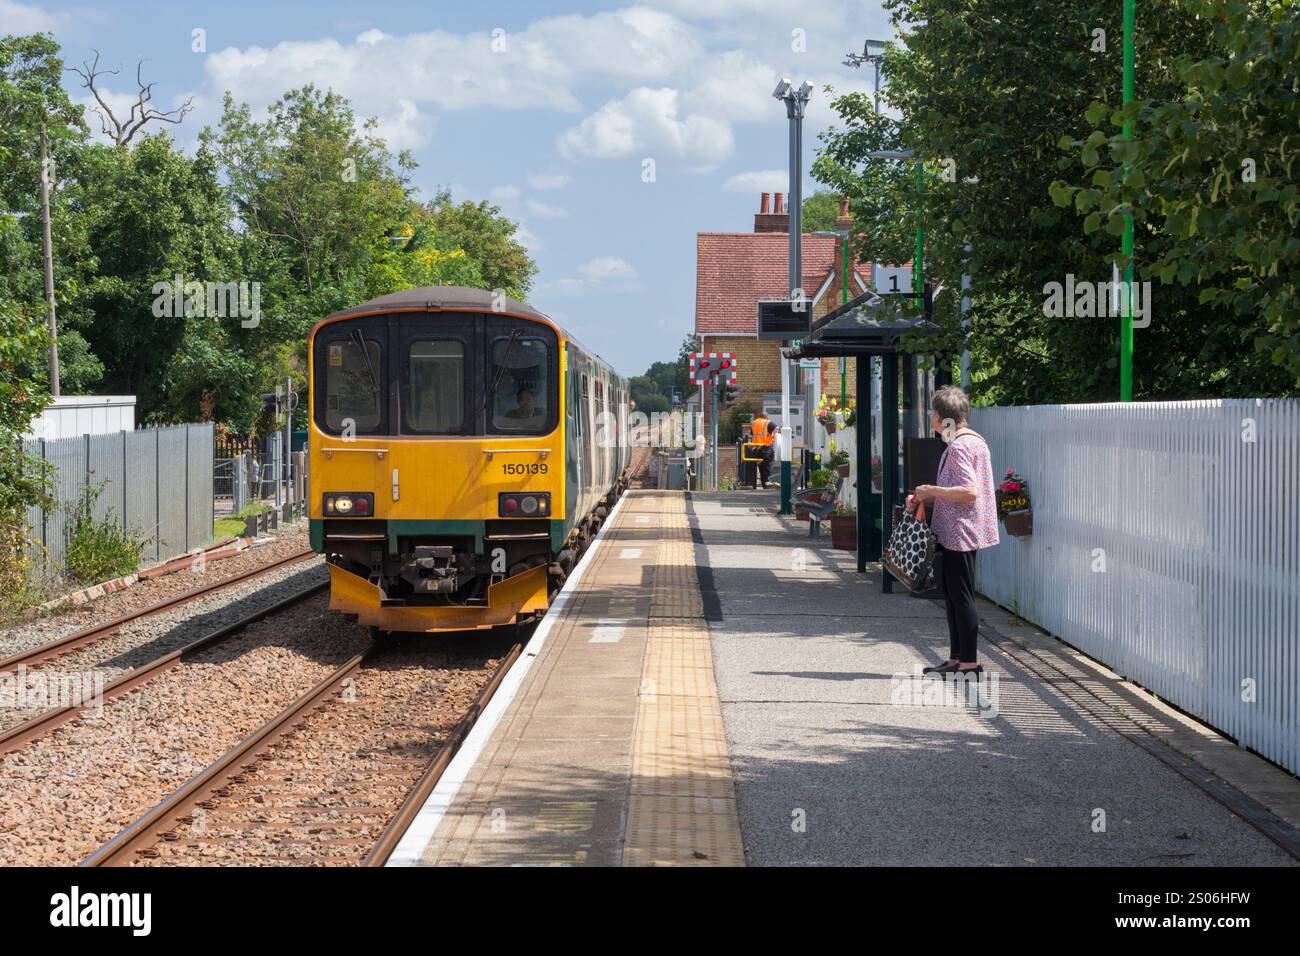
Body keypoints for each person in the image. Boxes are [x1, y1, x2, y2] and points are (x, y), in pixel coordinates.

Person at [905, 385, 1000, 677]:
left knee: (960, 595)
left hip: (960, 531)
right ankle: (958, 658)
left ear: (943, 418)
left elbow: (969, 492)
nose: (932, 421)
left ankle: (967, 661)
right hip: (968, 528)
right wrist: (928, 496)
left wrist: (931, 489)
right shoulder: (975, 442)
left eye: (934, 415)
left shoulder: (958, 447)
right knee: (955, 593)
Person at [749, 411, 774, 488]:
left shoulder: (754, 423)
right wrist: (772, 436)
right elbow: (776, 428)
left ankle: (763, 484)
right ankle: (767, 484)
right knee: (767, 466)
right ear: (766, 417)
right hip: (766, 447)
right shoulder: (767, 422)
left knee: (761, 466)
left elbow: (753, 434)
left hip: (757, 448)